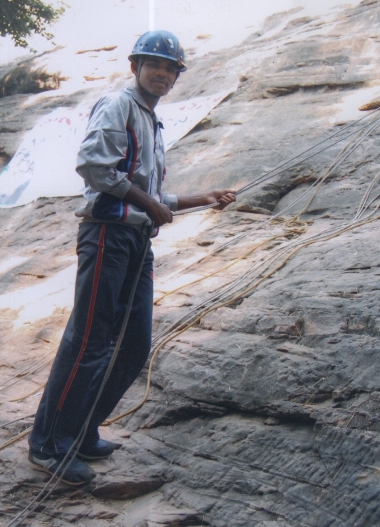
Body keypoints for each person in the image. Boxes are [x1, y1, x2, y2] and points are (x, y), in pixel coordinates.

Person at [27, 30, 235, 485]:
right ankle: (49, 444)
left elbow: (150, 194)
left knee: (135, 344)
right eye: (153, 64)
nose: (162, 73)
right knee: (89, 340)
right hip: (107, 236)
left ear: (176, 77)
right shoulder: (118, 104)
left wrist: (202, 198)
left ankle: (81, 431)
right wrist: (149, 204)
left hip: (137, 242)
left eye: (170, 68)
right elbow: (95, 168)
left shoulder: (152, 121)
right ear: (134, 66)